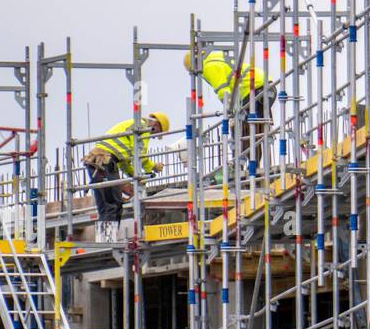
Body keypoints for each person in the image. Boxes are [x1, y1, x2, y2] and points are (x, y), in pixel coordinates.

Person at [82, 112, 170, 242]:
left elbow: (124, 163)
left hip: (99, 162)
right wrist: (152, 167)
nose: (154, 136)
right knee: (113, 205)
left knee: (106, 205)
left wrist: (135, 177)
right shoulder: (143, 127)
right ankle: (107, 241)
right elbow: (140, 154)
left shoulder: (133, 127)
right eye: (157, 133)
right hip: (105, 161)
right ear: (156, 124)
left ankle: (105, 240)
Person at [185, 50, 276, 174]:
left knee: (243, 130)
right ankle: (251, 165)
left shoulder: (208, 67)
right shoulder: (215, 57)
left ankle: (243, 165)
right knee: (255, 130)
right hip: (264, 87)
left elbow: (223, 91)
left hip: (254, 90)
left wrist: (230, 111)